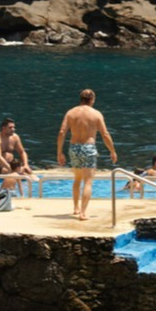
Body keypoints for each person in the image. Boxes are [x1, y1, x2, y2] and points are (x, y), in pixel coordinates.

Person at [56, 88, 117, 221]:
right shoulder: (96, 114)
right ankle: (83, 213)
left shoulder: (71, 113)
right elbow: (105, 134)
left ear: (80, 99)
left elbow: (62, 132)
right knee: (88, 181)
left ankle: (76, 208)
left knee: (77, 179)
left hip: (74, 147)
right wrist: (112, 151)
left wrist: (59, 152)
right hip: (88, 148)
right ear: (92, 100)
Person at [0, 117, 31, 197]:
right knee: (13, 173)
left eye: (14, 127)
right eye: (10, 128)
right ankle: (17, 191)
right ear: (4, 128)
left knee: (27, 172)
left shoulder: (15, 137)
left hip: (10, 164)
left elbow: (22, 152)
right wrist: (10, 169)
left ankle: (40, 184)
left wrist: (26, 164)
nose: (13, 129)